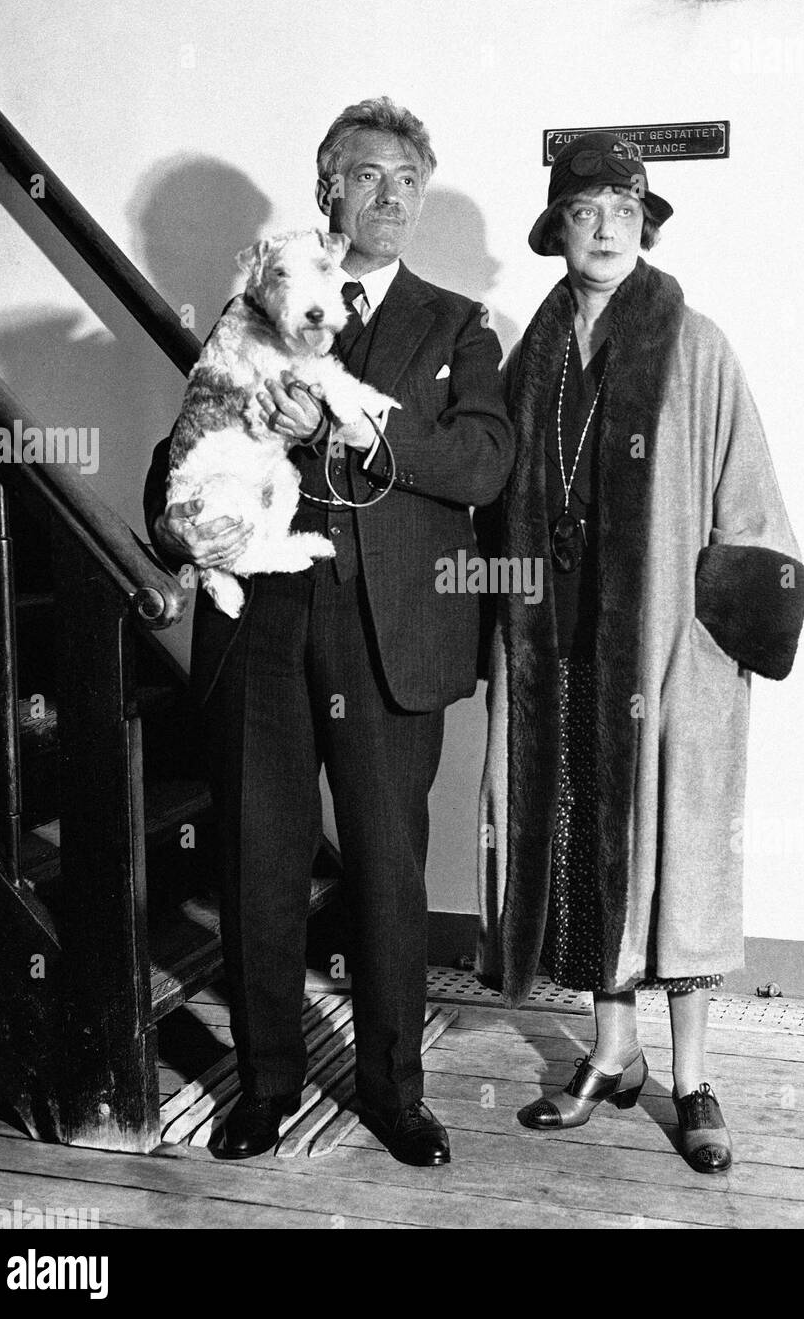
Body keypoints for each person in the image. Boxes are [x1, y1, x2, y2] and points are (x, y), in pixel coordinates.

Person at [144, 98, 514, 1166]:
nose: (391, 196)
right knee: (258, 855)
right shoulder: (258, 303)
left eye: (408, 178)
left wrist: (347, 445)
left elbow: (481, 460)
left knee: (388, 870)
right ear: (327, 191)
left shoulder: (456, 323)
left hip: (384, 629)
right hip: (261, 614)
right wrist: (185, 525)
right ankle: (263, 1084)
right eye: (367, 175)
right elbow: (191, 437)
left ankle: (394, 1090)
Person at [476, 132, 804, 1172]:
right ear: (557, 232)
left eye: (624, 207)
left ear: (645, 223)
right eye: (585, 210)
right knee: (585, 858)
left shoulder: (695, 344)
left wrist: (710, 651)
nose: (606, 225)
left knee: (677, 862)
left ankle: (694, 1076)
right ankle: (611, 1051)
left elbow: (748, 508)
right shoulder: (531, 359)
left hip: (670, 660)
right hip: (564, 655)